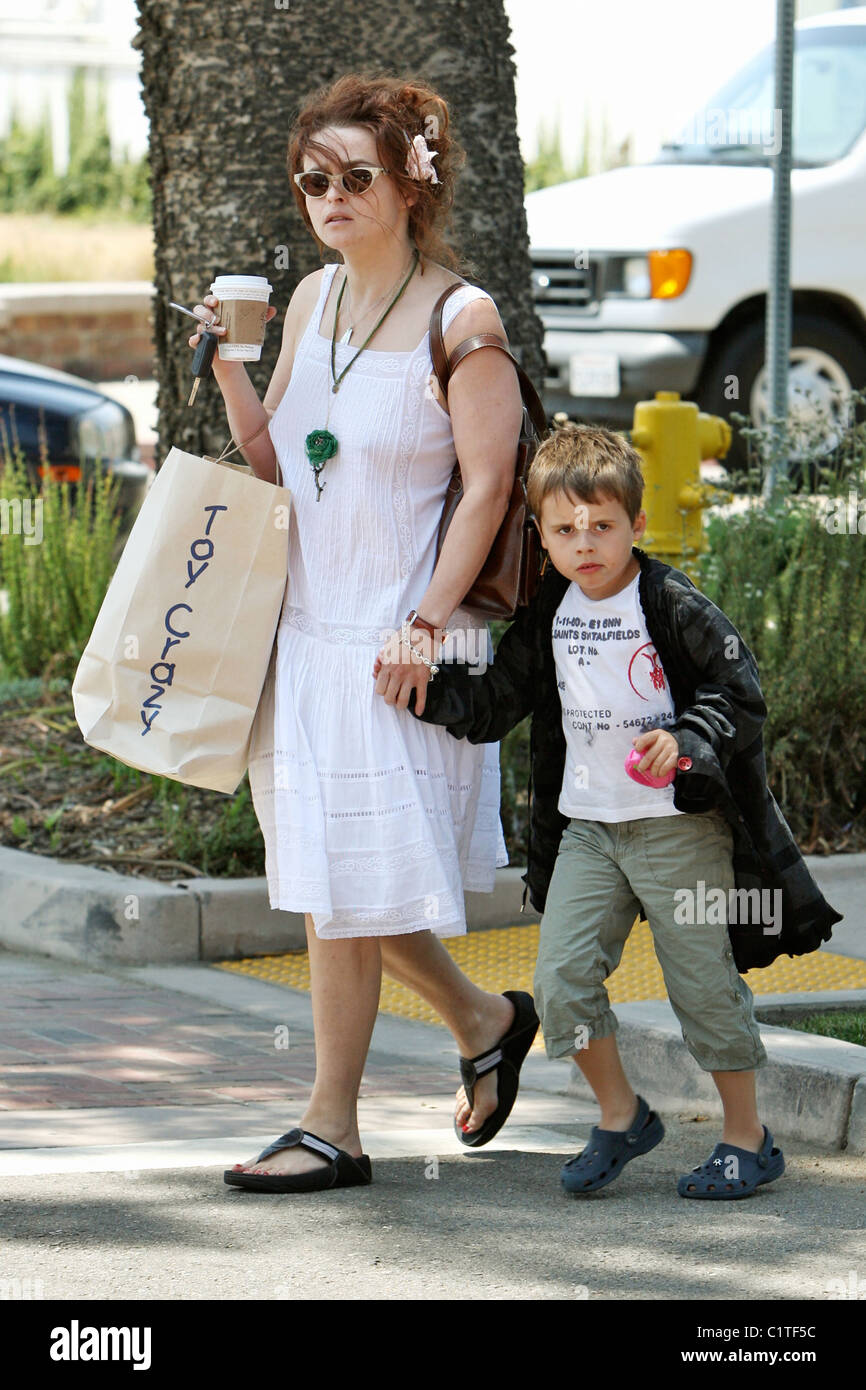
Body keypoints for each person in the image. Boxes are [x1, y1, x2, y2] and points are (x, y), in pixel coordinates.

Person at [187, 74, 540, 1193]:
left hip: (401, 639)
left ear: (410, 181)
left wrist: (422, 624)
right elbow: (279, 465)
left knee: (347, 883)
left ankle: (330, 1124)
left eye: (352, 176)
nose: (327, 196)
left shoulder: (461, 318)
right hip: (305, 630)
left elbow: (487, 490)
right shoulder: (307, 302)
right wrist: (232, 375)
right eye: (310, 179)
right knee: (339, 875)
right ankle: (485, 1021)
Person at [393, 422, 843, 1199]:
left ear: (636, 523)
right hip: (589, 832)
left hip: (679, 830)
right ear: (541, 537)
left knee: (702, 985)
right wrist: (429, 692)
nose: (585, 543)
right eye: (565, 530)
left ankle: (747, 1138)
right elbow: (502, 701)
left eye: (603, 526)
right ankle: (621, 1114)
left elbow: (740, 694)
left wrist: (688, 739)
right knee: (562, 982)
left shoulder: (671, 603)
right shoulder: (549, 611)